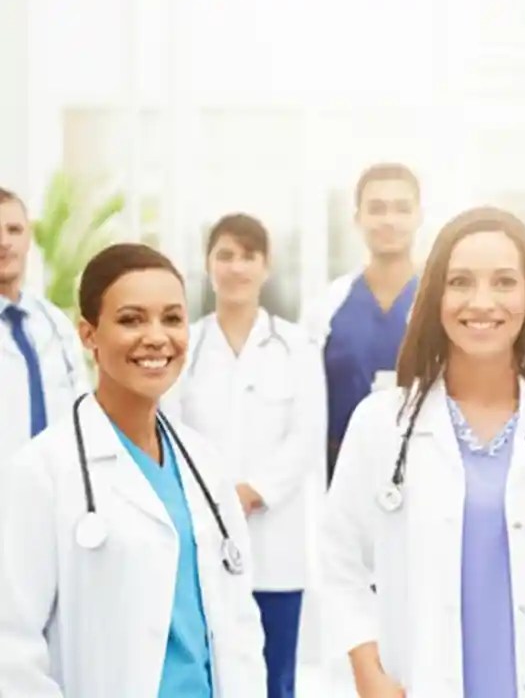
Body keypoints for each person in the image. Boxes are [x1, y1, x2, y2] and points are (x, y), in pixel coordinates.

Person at [322, 207, 525, 697]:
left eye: (503, 282)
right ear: (435, 296)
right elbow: (339, 564)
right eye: (460, 282)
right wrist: (368, 671)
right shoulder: (379, 425)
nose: (481, 302)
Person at [0, 243, 266, 697]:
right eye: (131, 319)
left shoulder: (203, 464)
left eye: (172, 318)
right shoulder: (42, 473)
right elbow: (11, 652)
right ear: (89, 336)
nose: (157, 336)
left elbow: (238, 626)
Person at [166, 214, 326, 698]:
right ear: (208, 264)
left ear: (266, 266)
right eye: (225, 255)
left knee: (276, 676)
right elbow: (170, 431)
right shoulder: (185, 345)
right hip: (202, 532)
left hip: (274, 543)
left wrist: (254, 492)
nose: (236, 268)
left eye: (248, 256)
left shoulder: (296, 345)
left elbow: (307, 435)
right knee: (206, 671)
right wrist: (217, 498)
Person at [307, 163, 423, 485]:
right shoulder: (326, 307)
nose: (389, 220)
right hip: (344, 473)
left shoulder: (441, 303)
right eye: (377, 209)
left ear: (419, 217)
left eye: (402, 209)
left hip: (425, 470)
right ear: (358, 218)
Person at [0, 187, 90, 464]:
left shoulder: (56, 325)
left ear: (30, 237)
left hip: (56, 491)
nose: (4, 241)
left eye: (14, 230)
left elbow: (83, 412)